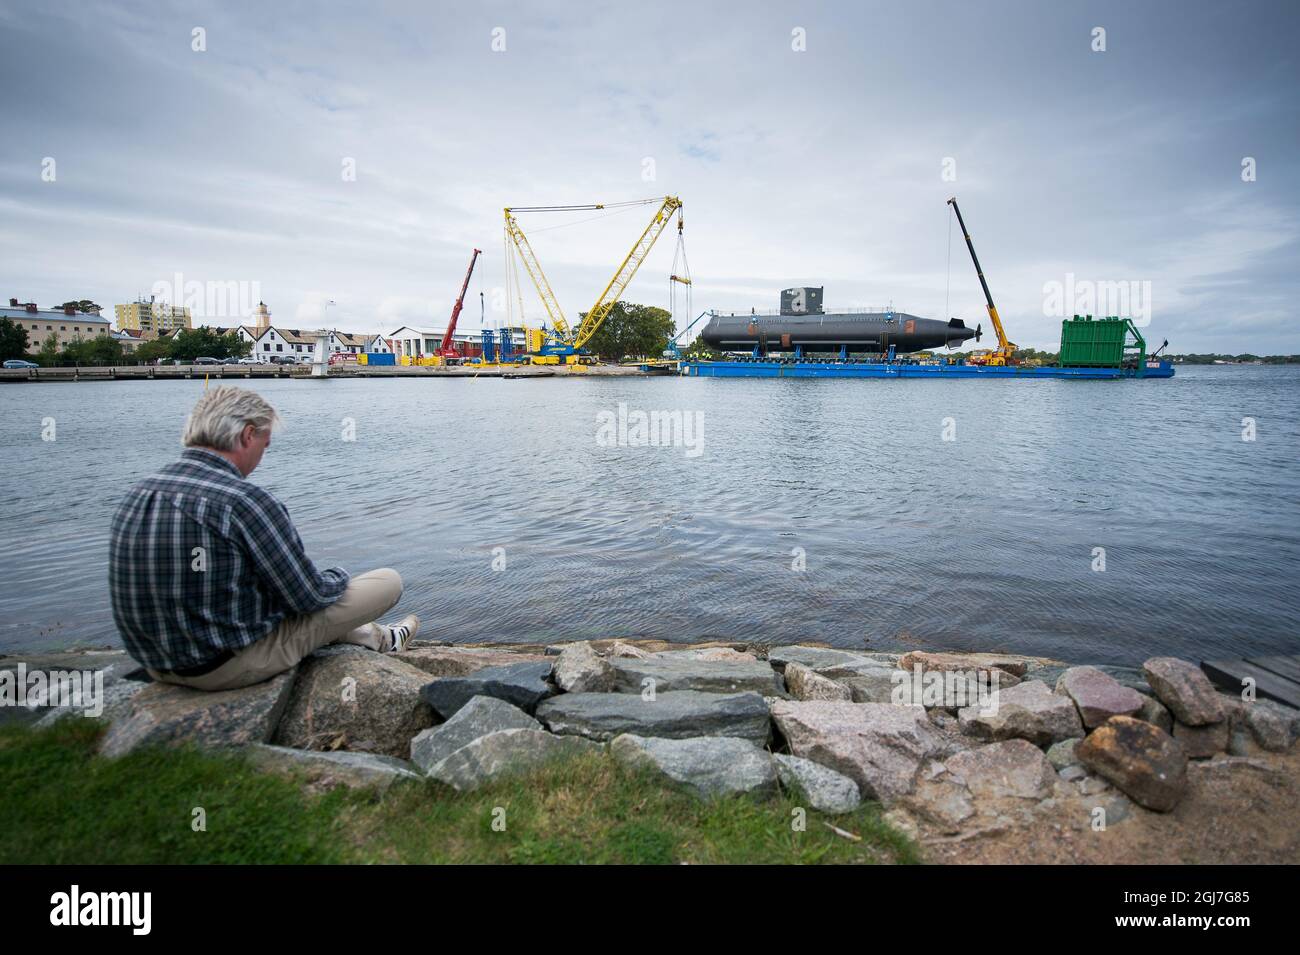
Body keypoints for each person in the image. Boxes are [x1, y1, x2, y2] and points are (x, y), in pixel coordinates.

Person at [109, 385, 418, 691]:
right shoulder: (244, 500)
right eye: (265, 445)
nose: (261, 458)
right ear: (247, 435)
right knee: (386, 582)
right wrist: (335, 576)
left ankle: (378, 637)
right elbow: (309, 596)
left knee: (273, 598)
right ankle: (385, 639)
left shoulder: (139, 493)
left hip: (156, 663)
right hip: (223, 667)